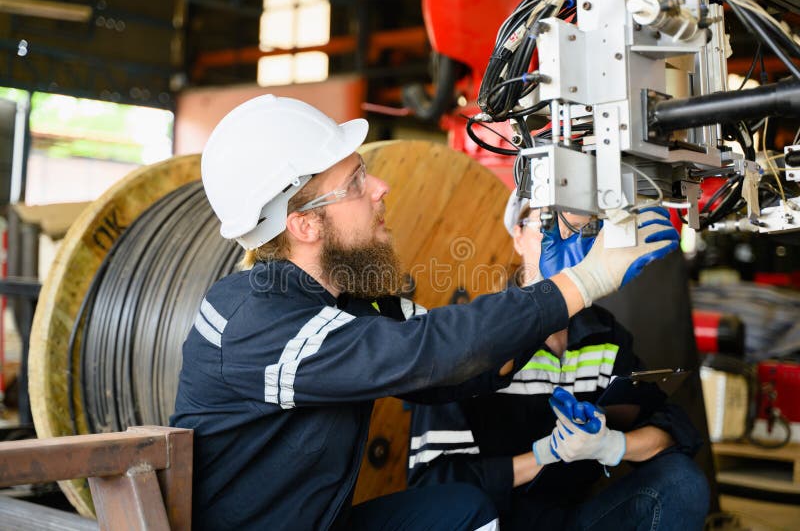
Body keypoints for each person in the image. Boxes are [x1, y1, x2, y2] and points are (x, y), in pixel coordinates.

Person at [169, 94, 678, 530]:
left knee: (465, 511)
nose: (380, 187)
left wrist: (545, 293)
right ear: (305, 225)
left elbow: (454, 367)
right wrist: (582, 282)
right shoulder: (256, 320)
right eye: (356, 182)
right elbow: (424, 350)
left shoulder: (345, 303)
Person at [407, 194, 710, 530]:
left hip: (576, 518)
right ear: (518, 237)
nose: (565, 244)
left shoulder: (604, 336)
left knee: (682, 482)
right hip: (493, 520)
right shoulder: (478, 334)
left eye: (580, 230)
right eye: (549, 226)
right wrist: (544, 456)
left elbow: (673, 430)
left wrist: (612, 445)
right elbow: (433, 484)